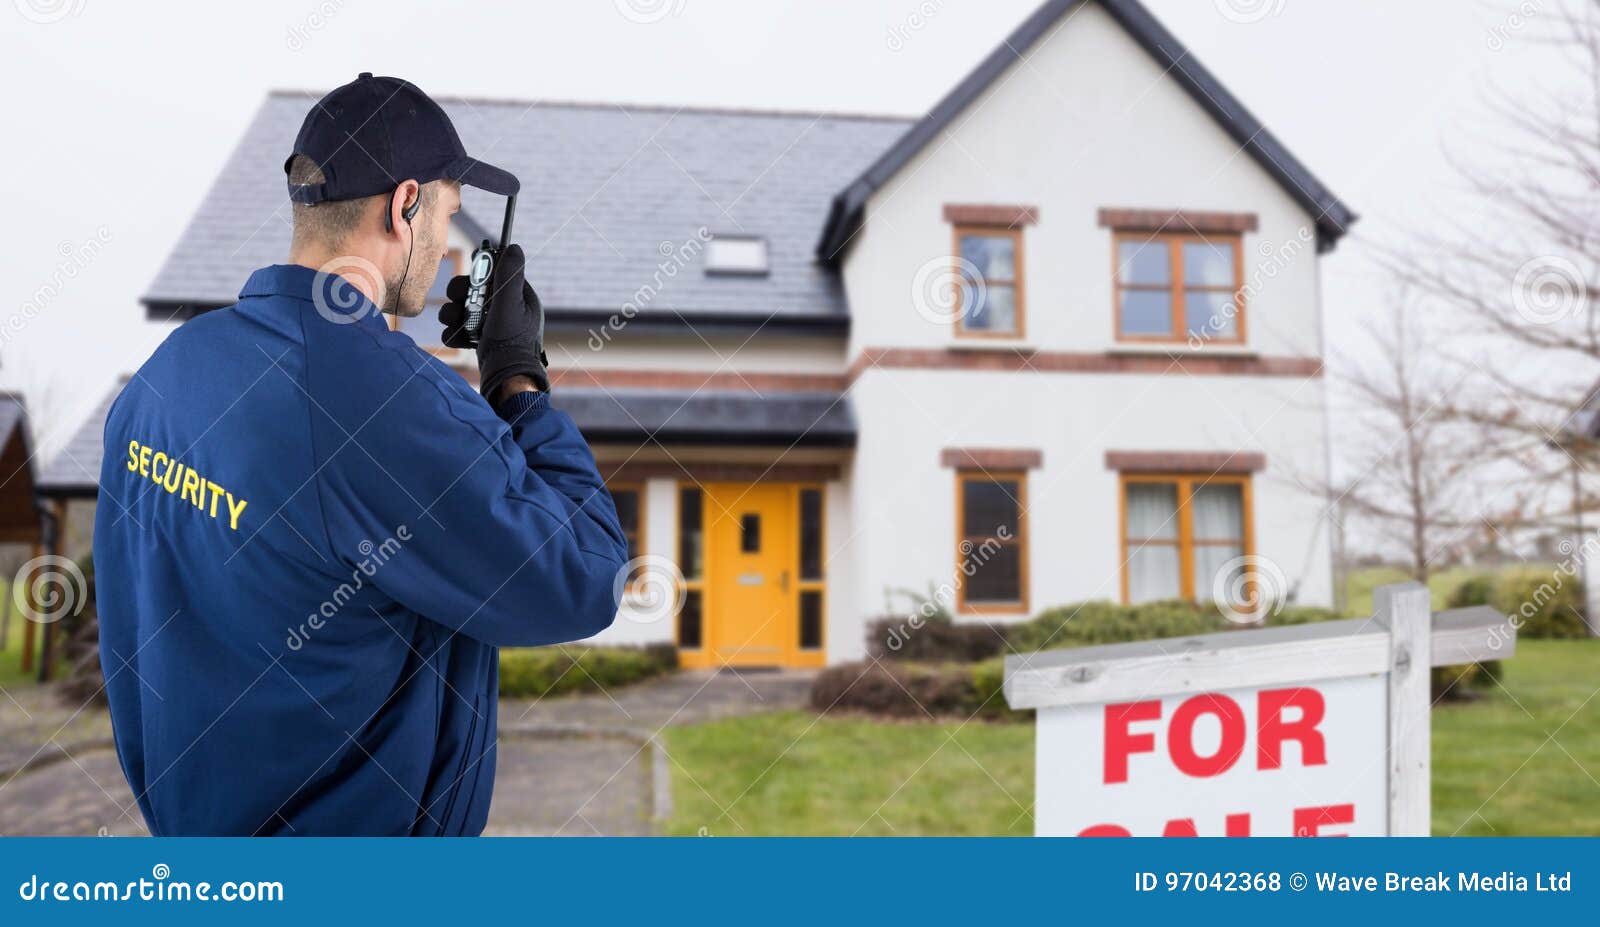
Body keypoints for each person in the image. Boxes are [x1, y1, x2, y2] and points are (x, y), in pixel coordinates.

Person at [92, 73, 627, 836]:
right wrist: (516, 377)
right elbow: (584, 576)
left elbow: (132, 624)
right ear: (404, 205)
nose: (442, 248)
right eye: (446, 214)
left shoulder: (168, 374)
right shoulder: (391, 403)